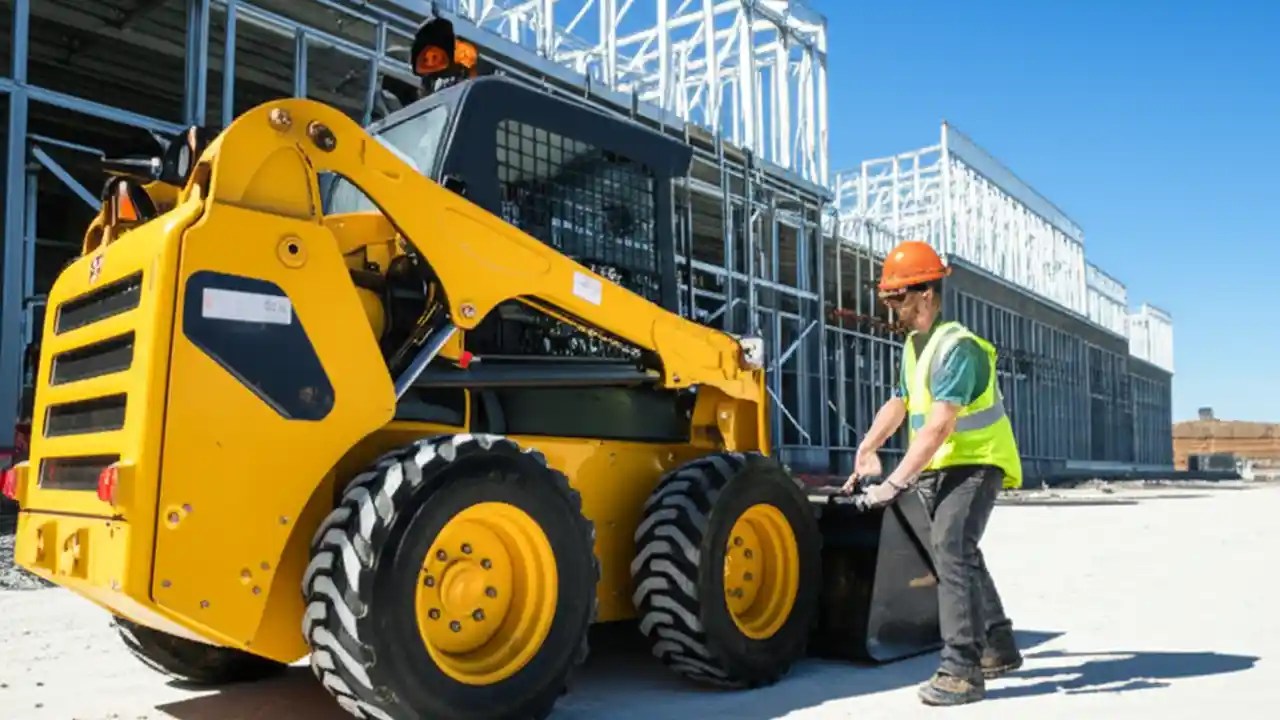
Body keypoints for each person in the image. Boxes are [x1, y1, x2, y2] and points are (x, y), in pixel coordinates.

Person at [841, 240, 1024, 706]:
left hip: (976, 460)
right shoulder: (915, 346)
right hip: (943, 464)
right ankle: (998, 644)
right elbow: (901, 401)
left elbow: (941, 424)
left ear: (927, 293)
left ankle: (962, 670)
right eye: (886, 297)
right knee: (961, 550)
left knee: (950, 547)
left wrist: (893, 483)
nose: (889, 305)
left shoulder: (957, 348)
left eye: (897, 296)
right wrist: (868, 446)